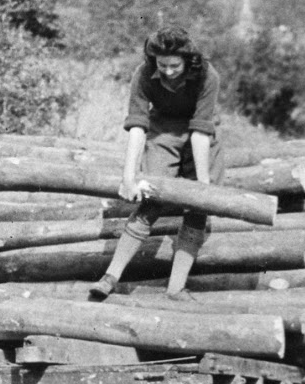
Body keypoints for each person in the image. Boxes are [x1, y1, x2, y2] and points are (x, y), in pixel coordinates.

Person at [89, 27, 224, 301]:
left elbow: (200, 130)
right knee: (151, 196)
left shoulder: (208, 75)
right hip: (163, 129)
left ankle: (176, 287)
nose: (169, 71)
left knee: (198, 206)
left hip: (202, 133)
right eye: (163, 65)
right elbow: (137, 126)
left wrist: (203, 183)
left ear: (188, 60)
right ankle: (110, 276)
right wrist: (130, 177)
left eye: (175, 65)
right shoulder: (143, 74)